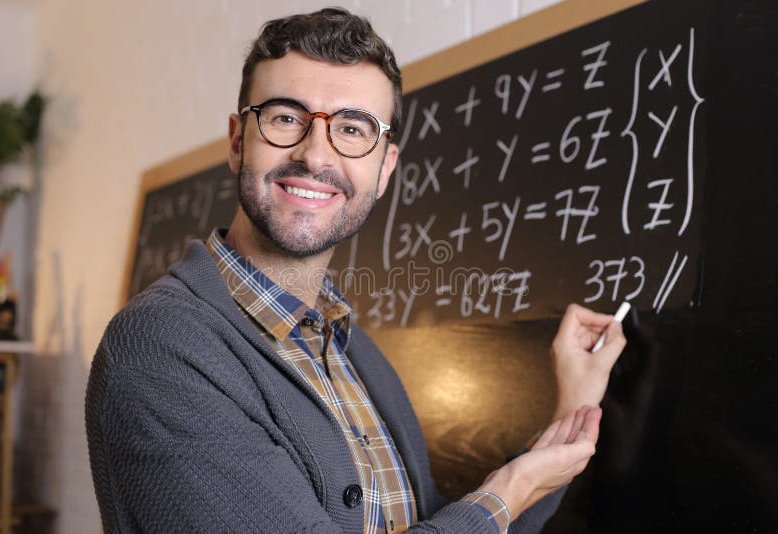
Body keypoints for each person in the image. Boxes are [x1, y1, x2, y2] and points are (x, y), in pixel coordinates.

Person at [85, 8, 627, 533]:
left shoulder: (351, 350)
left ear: (385, 168)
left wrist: (571, 410)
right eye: (285, 117)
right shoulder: (160, 346)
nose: (317, 154)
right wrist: (507, 494)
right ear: (236, 141)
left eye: (352, 128)